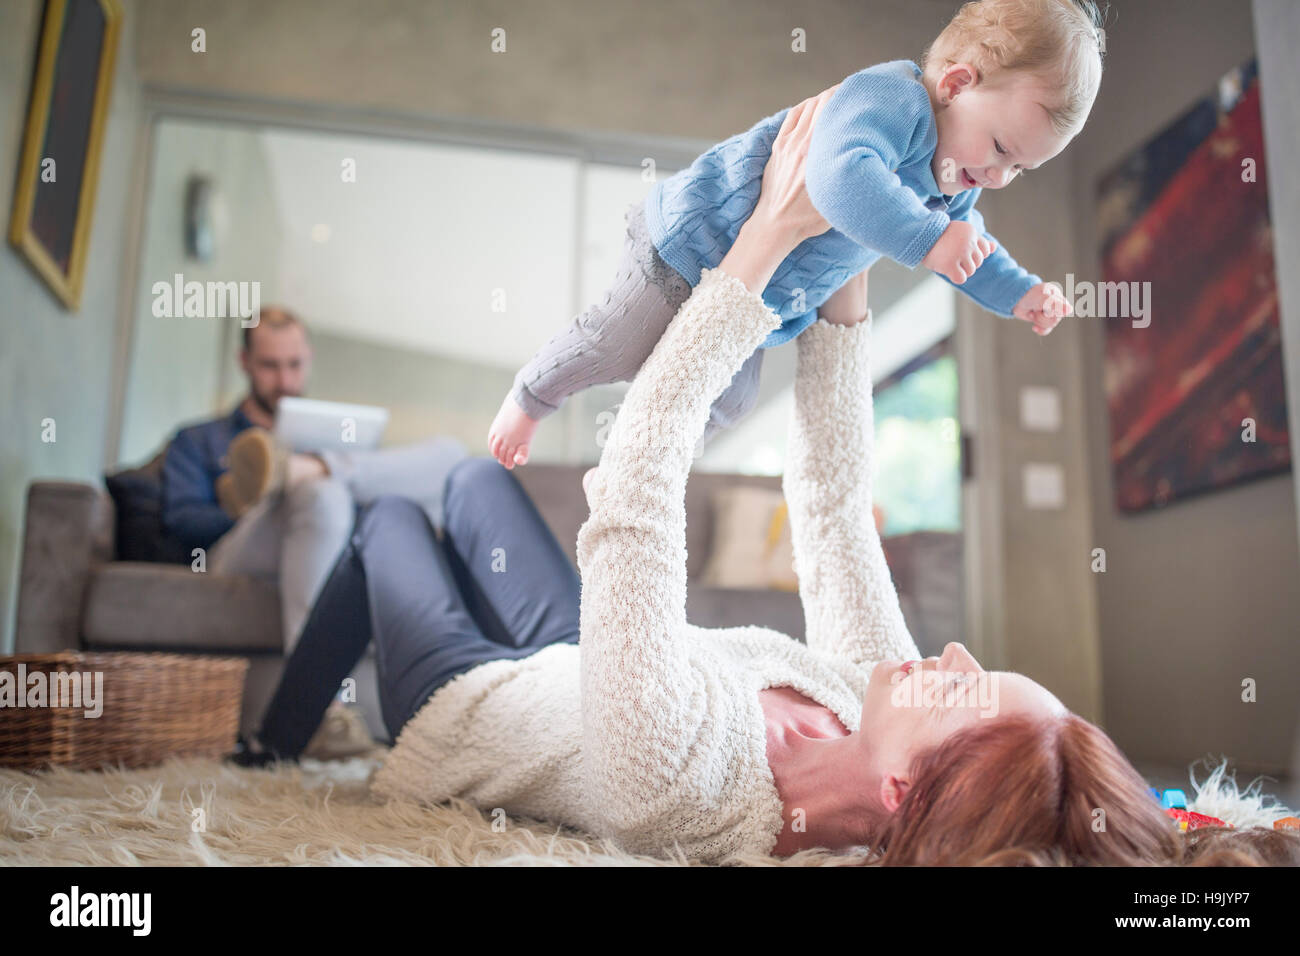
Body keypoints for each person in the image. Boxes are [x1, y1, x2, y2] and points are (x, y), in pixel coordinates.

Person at [229, 97, 1300, 866]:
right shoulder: (876, 704)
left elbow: (636, 473)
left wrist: (767, 241)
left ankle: (263, 746)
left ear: (899, 792)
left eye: (966, 687)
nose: (956, 651)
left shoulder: (677, 785)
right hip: (569, 648)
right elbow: (833, 508)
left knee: (389, 530)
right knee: (468, 479)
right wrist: (843, 267)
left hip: (470, 698)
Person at [486, 0, 1098, 470]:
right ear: (957, 84)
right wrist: (933, 240)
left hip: (757, 304)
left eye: (1019, 169)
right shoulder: (893, 101)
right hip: (690, 245)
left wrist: (1018, 293)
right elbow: (836, 178)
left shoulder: (956, 184)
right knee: (617, 346)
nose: (998, 177)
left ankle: (639, 462)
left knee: (729, 403)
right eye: (1000, 149)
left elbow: (972, 248)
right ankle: (531, 396)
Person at [160, 308, 469, 655]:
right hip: (240, 550)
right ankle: (325, 698)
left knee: (452, 456)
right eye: (269, 366)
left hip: (332, 540)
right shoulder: (200, 439)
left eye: (295, 365)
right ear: (244, 361)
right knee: (319, 494)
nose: (285, 381)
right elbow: (183, 522)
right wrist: (258, 503)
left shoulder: (335, 436)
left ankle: (305, 468)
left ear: (309, 358)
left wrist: (314, 468)